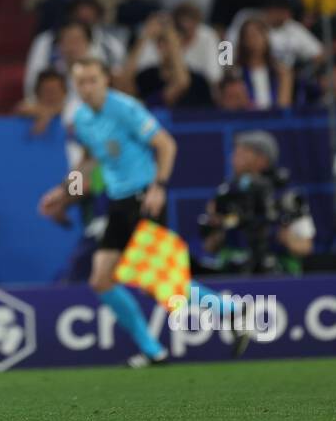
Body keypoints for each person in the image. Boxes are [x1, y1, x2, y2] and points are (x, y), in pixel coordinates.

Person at [37, 56, 252, 365]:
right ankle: (156, 349)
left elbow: (166, 145)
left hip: (143, 199)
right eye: (80, 82)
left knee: (158, 282)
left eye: (92, 80)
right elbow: (87, 162)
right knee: (101, 280)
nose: (86, 88)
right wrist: (62, 192)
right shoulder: (82, 119)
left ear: (105, 80)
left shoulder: (125, 108)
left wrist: (158, 186)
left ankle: (230, 312)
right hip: (117, 202)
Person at [198, 131, 314, 277]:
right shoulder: (226, 194)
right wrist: (219, 225)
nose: (233, 158)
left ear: (262, 159)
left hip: (278, 271)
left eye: (242, 153)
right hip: (233, 273)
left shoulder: (287, 196)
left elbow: (305, 247)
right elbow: (210, 246)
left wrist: (281, 235)